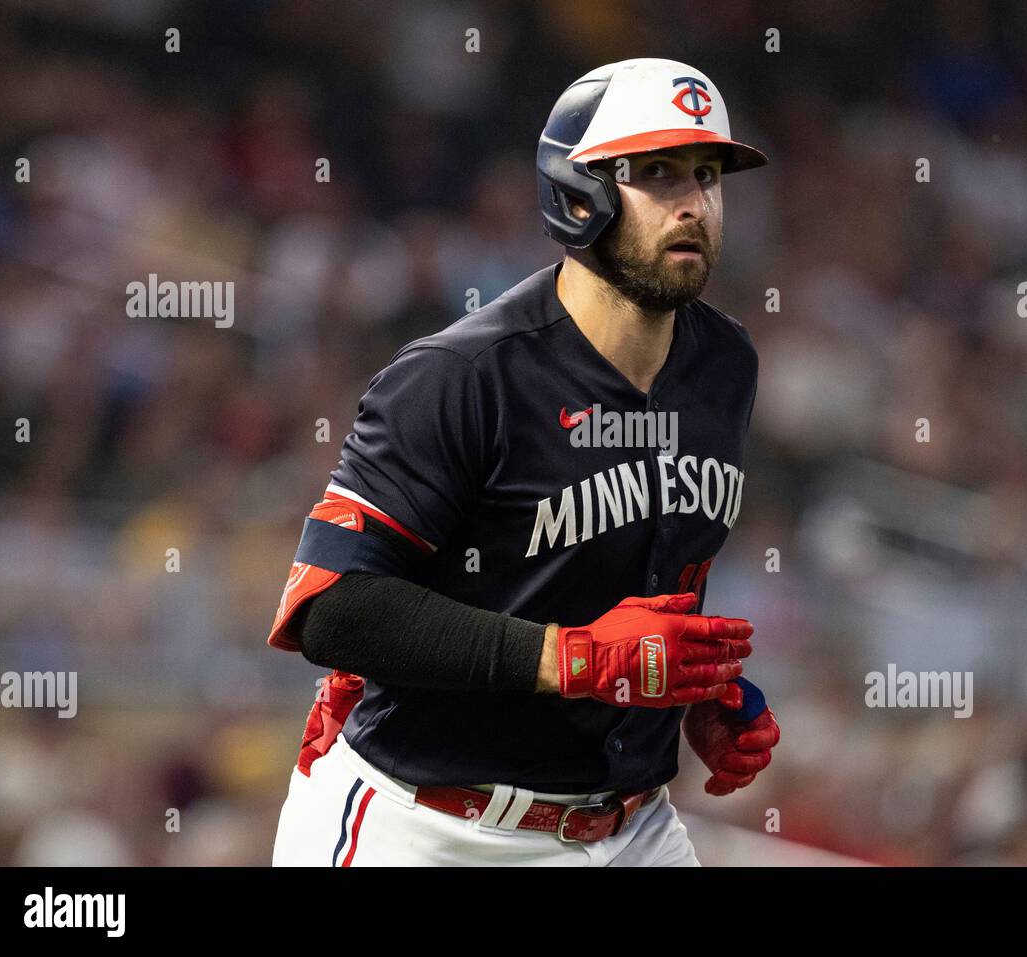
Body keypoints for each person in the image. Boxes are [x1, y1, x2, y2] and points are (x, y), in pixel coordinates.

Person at [269, 58, 780, 867]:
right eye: (656, 173)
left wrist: (695, 694)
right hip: (432, 824)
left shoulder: (726, 363)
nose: (694, 204)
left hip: (632, 829)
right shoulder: (462, 376)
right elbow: (331, 609)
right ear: (580, 194)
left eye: (707, 174)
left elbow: (647, 585)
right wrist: (570, 658)